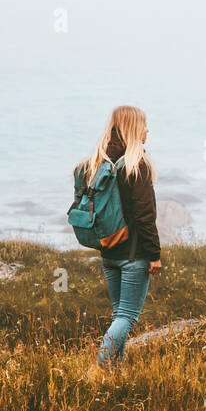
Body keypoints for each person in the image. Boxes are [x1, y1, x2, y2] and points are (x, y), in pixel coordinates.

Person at [75, 105, 162, 369]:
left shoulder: (96, 163)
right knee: (127, 316)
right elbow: (144, 217)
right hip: (134, 254)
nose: (148, 130)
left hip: (109, 251)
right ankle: (101, 371)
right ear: (134, 128)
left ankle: (115, 374)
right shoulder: (136, 165)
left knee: (118, 315)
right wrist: (155, 255)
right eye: (144, 125)